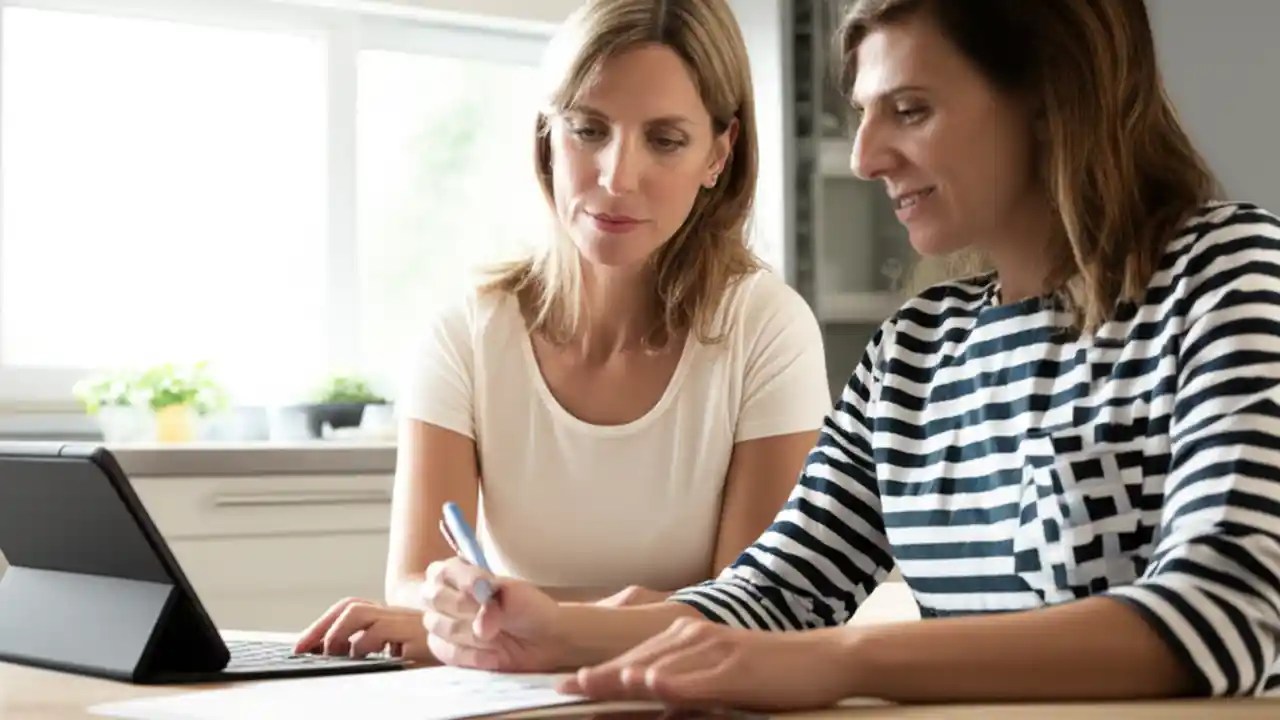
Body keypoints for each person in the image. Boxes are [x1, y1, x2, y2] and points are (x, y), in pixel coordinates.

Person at [423, 0, 1280, 707]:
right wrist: (545, 627)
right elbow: (773, 597)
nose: (867, 156)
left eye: (910, 110)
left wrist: (849, 659)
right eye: (864, 113)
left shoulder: (1230, 277)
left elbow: (1228, 609)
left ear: (1055, 101)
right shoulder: (914, 350)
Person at [292, 0, 831, 662]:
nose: (616, 177)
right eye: (588, 129)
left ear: (719, 155)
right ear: (547, 134)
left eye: (664, 141)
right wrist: (449, 607)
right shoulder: (466, 335)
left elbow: (754, 611)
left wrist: (538, 625)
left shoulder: (768, 331)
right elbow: (415, 586)